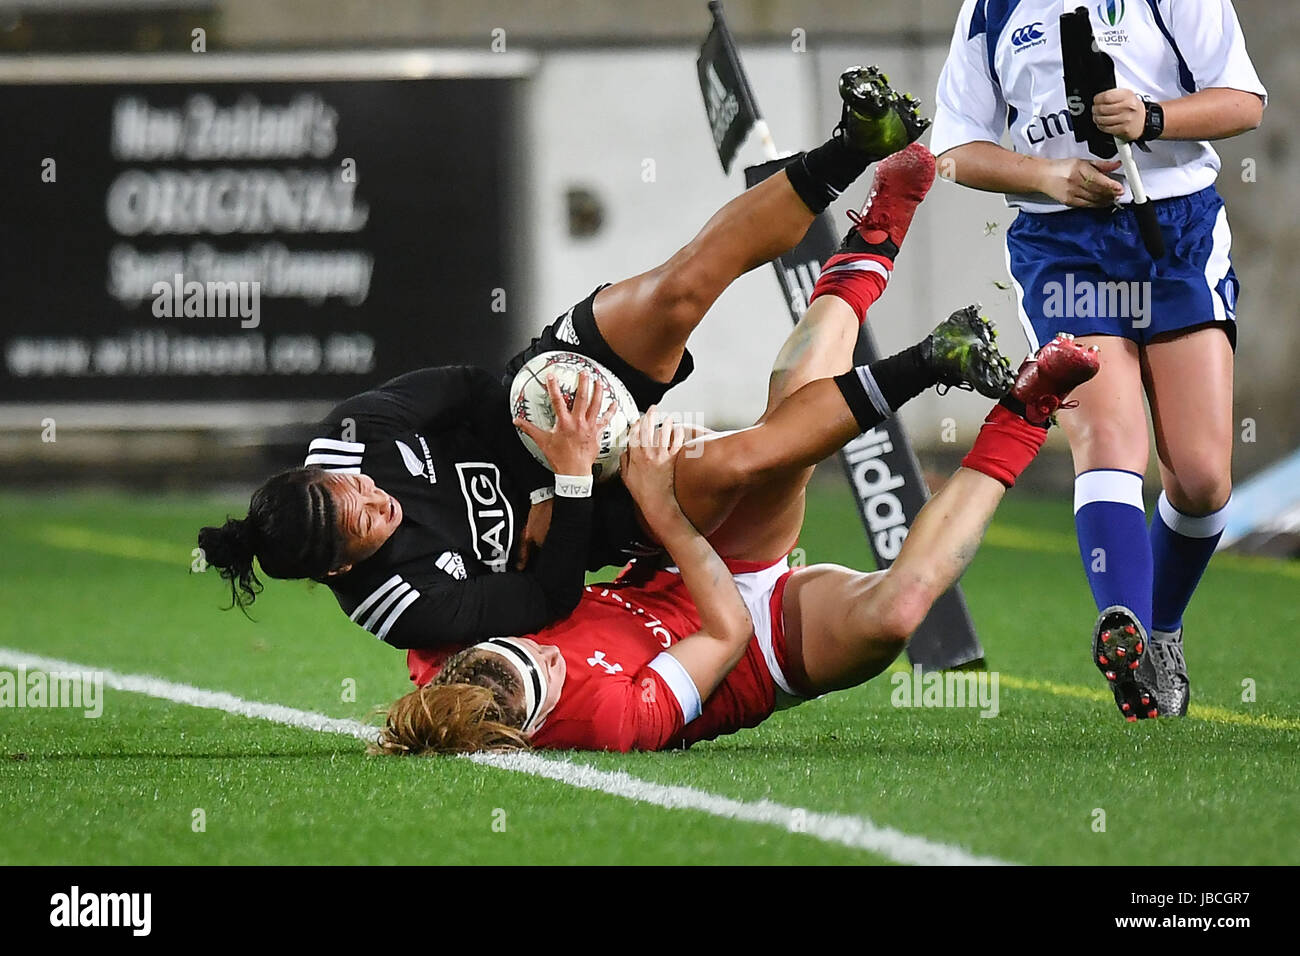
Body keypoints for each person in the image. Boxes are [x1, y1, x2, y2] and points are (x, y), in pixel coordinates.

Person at [195, 68, 934, 660]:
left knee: (678, 290)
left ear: (329, 468)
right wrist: (572, 481)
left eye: (357, 489)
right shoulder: (400, 604)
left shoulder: (354, 436)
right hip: (598, 520)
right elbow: (549, 600)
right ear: (338, 572)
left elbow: (467, 387)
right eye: (367, 523)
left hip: (539, 408)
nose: (375, 499)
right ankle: (931, 360)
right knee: (743, 463)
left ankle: (854, 143)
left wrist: (554, 436)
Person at [374, 281, 1099, 754]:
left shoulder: (443, 654)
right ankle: (1027, 411)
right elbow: (729, 629)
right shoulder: (608, 723)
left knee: (774, 449)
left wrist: (564, 480)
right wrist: (661, 509)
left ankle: (867, 252)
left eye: (529, 647)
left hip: (668, 578)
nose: (552, 652)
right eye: (546, 675)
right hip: (753, 652)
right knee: (897, 613)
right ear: (527, 729)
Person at [929, 0, 1265, 718]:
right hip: (1062, 248)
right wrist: (1045, 178)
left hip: (1177, 233)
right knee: (1109, 438)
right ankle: (1128, 634)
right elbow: (953, 150)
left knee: (1203, 480)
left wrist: (1152, 117)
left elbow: (1243, 102)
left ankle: (1162, 632)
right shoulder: (990, 9)